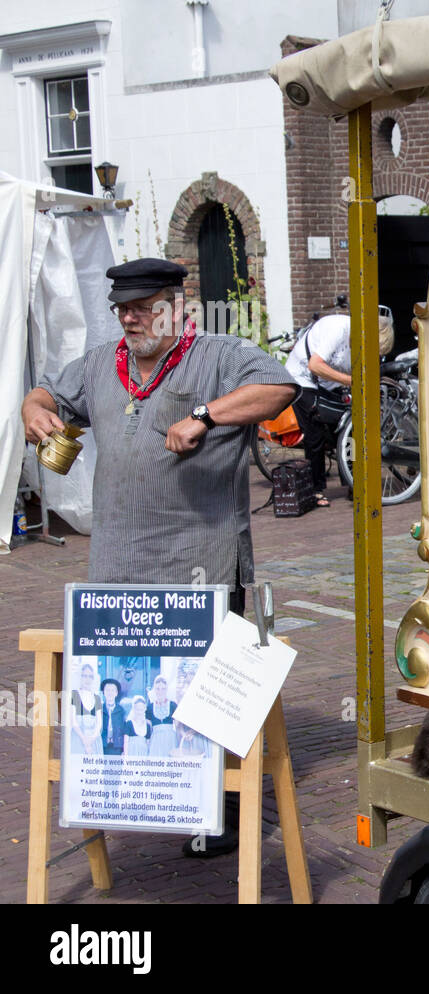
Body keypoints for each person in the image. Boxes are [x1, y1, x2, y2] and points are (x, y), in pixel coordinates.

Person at [21, 257, 298, 856]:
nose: (132, 319)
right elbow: (49, 393)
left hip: (201, 561)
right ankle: (129, 791)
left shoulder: (219, 354)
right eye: (124, 309)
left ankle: (218, 807)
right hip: (119, 564)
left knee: (207, 691)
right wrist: (35, 410)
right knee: (131, 684)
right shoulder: (100, 364)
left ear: (179, 307)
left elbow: (279, 389)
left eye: (144, 308)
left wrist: (205, 415)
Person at [284, 304, 395, 505]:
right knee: (315, 433)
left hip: (329, 383)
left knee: (351, 431)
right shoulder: (338, 330)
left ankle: (354, 484)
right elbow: (315, 365)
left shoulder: (362, 341)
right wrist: (351, 381)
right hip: (303, 378)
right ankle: (316, 489)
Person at [70, 664, 103, 756]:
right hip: (78, 738)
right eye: (84, 676)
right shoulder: (74, 695)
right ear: (80, 677)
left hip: (93, 740)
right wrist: (84, 740)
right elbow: (73, 722)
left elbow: (99, 723)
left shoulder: (97, 698)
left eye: (90, 676)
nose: (87, 679)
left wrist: (92, 739)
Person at [146, 674, 176, 757]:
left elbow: (178, 725)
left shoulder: (173, 705)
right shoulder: (149, 707)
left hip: (170, 739)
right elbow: (149, 728)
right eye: (158, 689)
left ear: (166, 689)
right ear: (154, 690)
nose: (160, 691)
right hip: (156, 739)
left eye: (163, 689)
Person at [100, 678, 126, 756]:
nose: (110, 693)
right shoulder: (99, 709)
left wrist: (123, 749)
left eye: (112, 690)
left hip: (116, 747)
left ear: (116, 693)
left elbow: (123, 730)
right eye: (107, 690)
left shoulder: (121, 710)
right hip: (102, 746)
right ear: (103, 692)